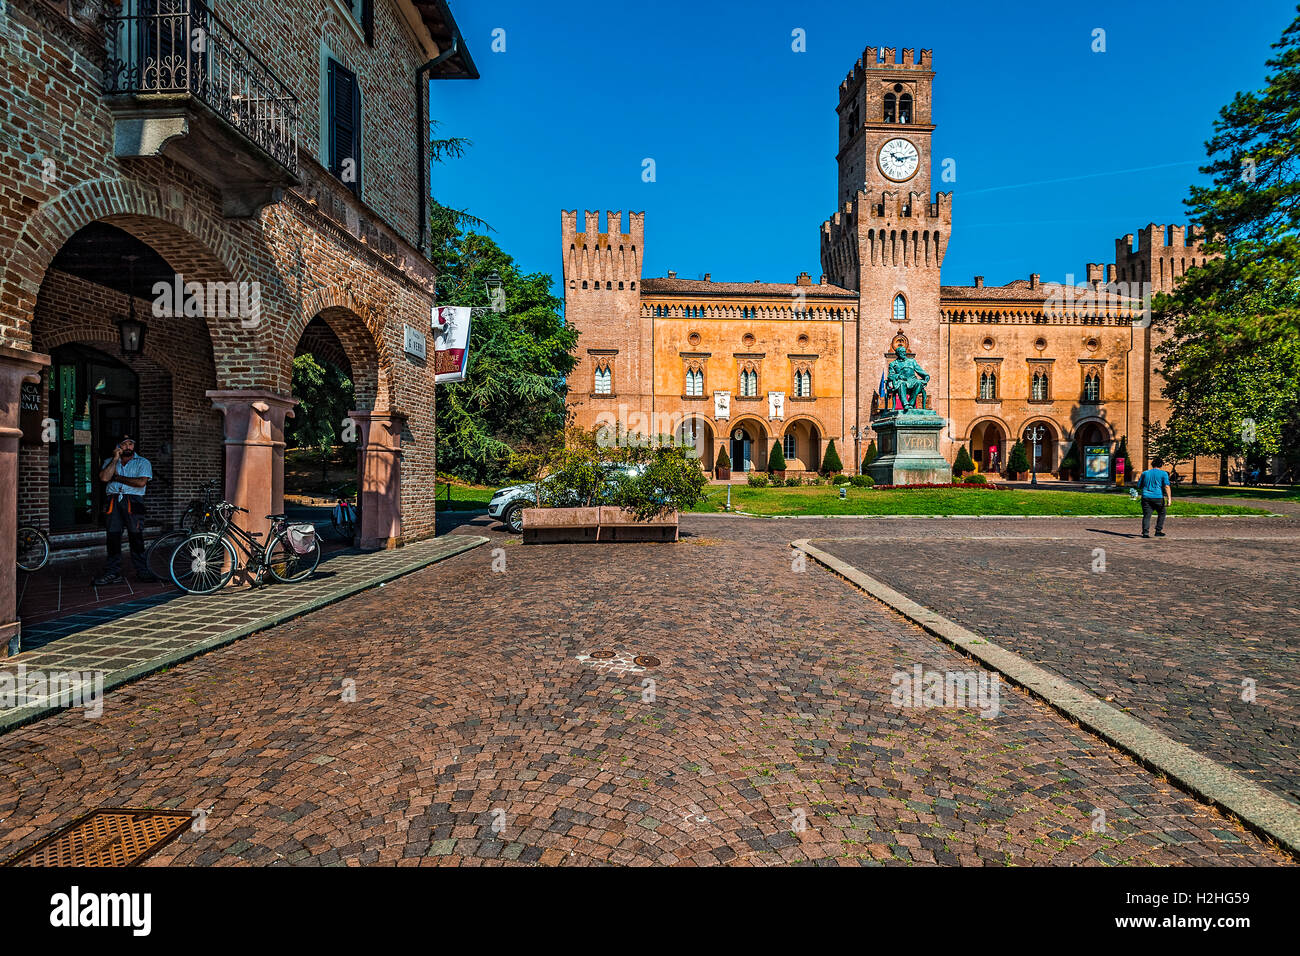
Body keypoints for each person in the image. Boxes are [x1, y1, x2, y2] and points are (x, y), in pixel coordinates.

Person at [92, 435, 156, 584]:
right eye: (124, 444)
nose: (128, 447)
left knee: (136, 537)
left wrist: (119, 478)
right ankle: (112, 572)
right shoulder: (110, 462)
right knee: (113, 538)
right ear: (118, 446)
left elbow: (141, 482)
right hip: (113, 500)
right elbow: (104, 478)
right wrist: (115, 459)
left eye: (131, 444)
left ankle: (142, 571)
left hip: (133, 501)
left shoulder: (143, 462)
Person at [1137, 456, 1172, 539]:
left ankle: (1145, 532)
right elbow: (1167, 486)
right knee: (1162, 512)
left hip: (1146, 496)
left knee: (1147, 515)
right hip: (1158, 497)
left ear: (1152, 464)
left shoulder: (1145, 473)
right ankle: (1158, 531)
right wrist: (1169, 498)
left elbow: (1139, 485)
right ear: (1161, 465)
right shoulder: (1164, 473)